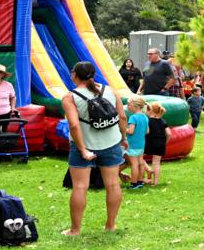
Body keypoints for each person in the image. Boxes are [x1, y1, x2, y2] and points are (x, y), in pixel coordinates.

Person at [60, 60, 125, 235]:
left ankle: (75, 229)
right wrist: (123, 138)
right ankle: (110, 225)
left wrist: (82, 150)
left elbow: (74, 125)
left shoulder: (70, 97)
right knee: (112, 184)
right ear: (93, 74)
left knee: (80, 187)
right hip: (111, 143)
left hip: (84, 146)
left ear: (74, 75)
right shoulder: (111, 91)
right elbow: (122, 117)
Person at [123, 97, 150, 189]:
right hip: (141, 143)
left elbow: (130, 131)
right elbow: (147, 131)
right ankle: (140, 182)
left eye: (129, 105)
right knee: (141, 163)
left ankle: (133, 183)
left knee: (134, 164)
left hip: (132, 144)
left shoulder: (133, 117)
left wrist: (123, 129)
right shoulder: (145, 117)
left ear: (135, 106)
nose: (128, 106)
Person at [144, 102, 168, 186]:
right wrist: (165, 142)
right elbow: (169, 133)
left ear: (151, 111)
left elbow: (147, 131)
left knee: (139, 158)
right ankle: (155, 182)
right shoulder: (163, 121)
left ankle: (143, 176)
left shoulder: (148, 121)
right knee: (156, 163)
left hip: (150, 142)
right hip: (161, 143)